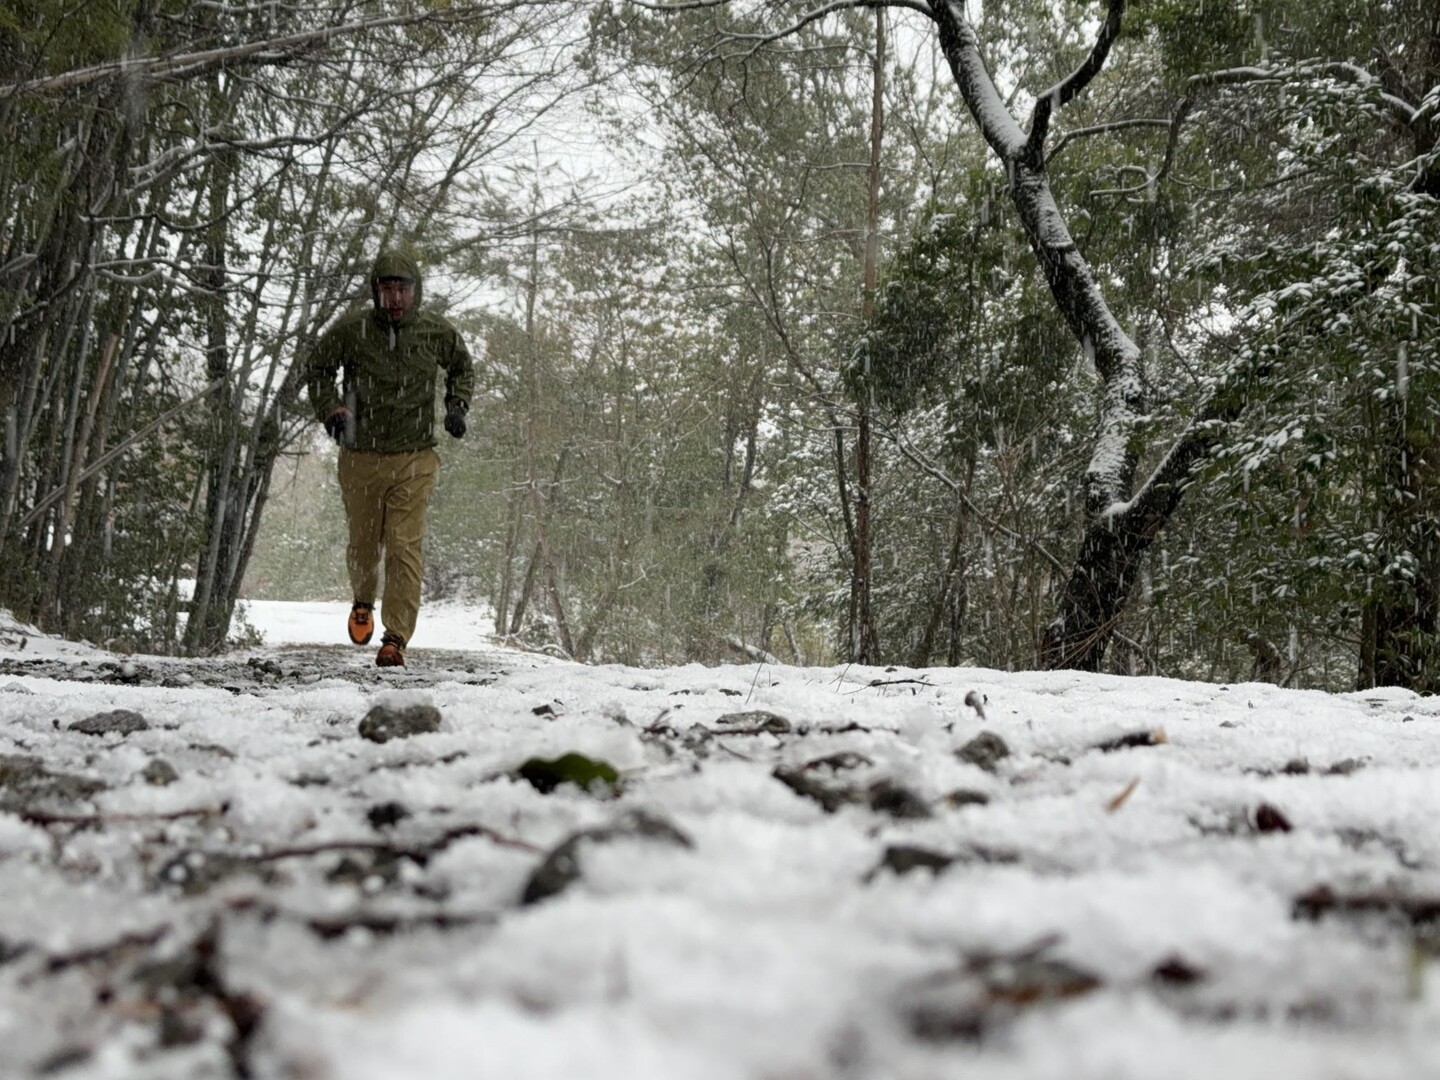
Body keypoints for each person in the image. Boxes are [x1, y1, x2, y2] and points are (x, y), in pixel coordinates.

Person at [303, 249, 474, 667]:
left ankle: (395, 638)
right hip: (361, 456)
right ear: (375, 291)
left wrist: (457, 405)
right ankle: (363, 600)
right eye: (387, 289)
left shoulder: (435, 331)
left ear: (416, 291)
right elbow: (318, 368)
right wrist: (331, 409)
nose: (395, 298)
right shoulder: (353, 330)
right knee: (364, 545)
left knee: (404, 546)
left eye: (403, 289)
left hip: (415, 457)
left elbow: (461, 367)